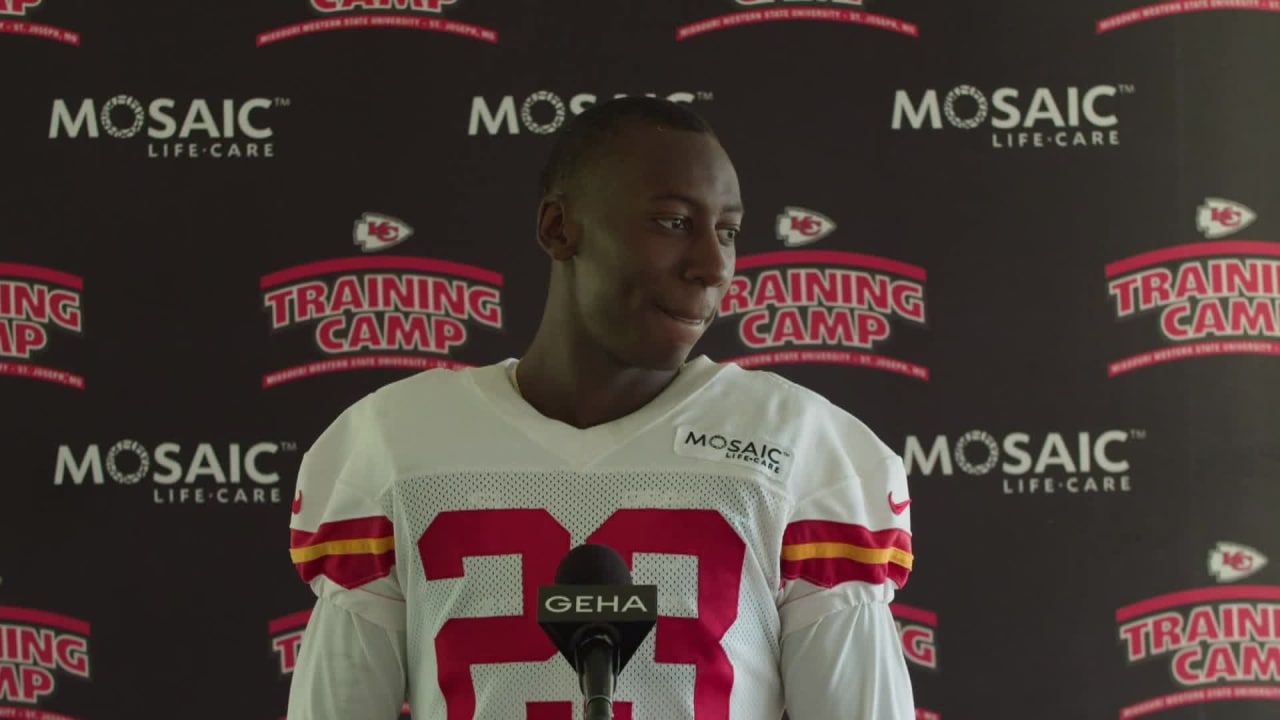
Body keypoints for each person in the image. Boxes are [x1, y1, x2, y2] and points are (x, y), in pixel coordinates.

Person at [286, 96, 916, 719]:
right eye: (672, 222)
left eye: (727, 232)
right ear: (560, 228)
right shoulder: (394, 442)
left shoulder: (803, 445)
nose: (711, 264)